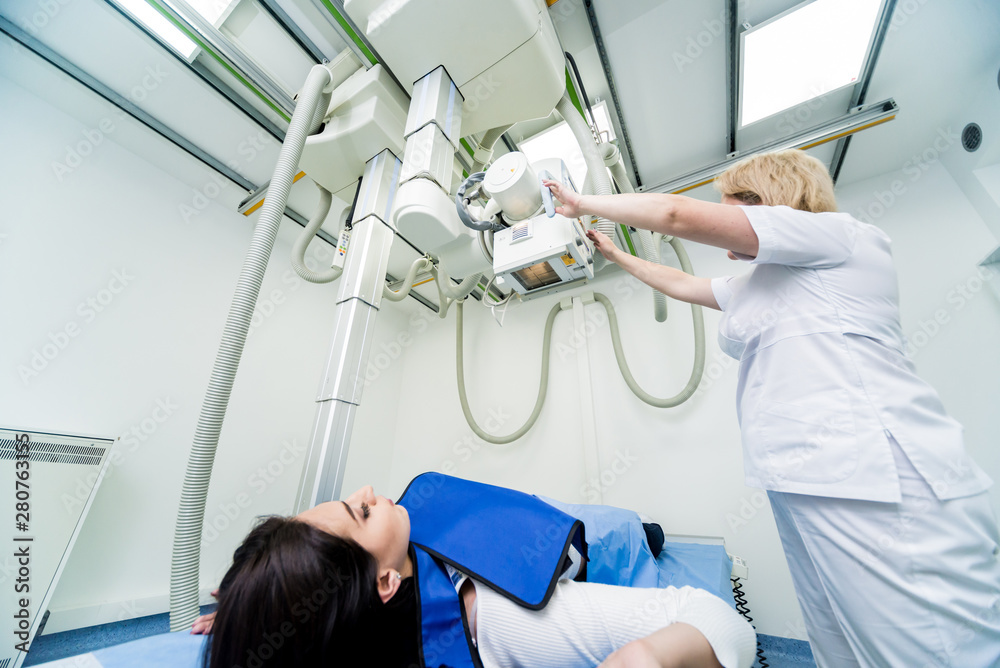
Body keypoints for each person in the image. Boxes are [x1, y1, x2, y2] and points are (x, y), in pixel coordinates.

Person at [544, 149, 1000, 667]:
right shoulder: (759, 284)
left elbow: (676, 215)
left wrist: (580, 203)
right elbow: (680, 283)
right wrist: (615, 254)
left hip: (877, 476)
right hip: (801, 481)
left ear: (764, 199)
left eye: (731, 201)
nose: (724, 211)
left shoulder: (839, 237)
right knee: (841, 643)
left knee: (930, 650)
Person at [192, 475, 756, 668]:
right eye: (361, 511)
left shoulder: (369, 585)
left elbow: (717, 619)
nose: (367, 490)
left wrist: (261, 606)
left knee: (632, 528)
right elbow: (721, 622)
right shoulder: (504, 623)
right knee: (623, 526)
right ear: (386, 583)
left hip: (580, 529)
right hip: (583, 536)